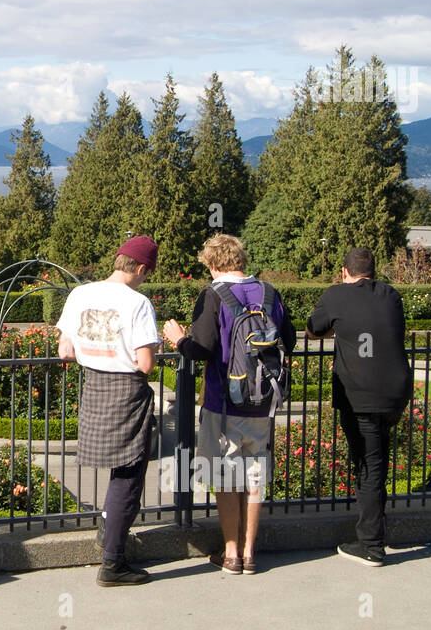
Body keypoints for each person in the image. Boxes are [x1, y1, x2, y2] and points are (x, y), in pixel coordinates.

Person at [163, 234, 296, 575]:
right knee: (254, 478)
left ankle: (232, 553)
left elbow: (202, 349)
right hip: (263, 404)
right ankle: (251, 552)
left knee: (224, 478)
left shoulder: (214, 295)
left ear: (213, 263)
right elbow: (289, 339)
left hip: (223, 403)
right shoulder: (269, 292)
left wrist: (179, 339)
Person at [55, 236, 162, 586]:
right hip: (127, 391)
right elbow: (145, 364)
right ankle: (112, 562)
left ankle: (107, 527)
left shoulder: (80, 294)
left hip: (94, 385)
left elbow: (65, 350)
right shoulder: (139, 303)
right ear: (142, 268)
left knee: (118, 473)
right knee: (129, 475)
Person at [306, 247, 412, 567]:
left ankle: (371, 545)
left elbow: (312, 330)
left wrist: (337, 327)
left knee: (368, 465)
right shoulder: (391, 295)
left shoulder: (337, 295)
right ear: (374, 272)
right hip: (395, 392)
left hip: (360, 397)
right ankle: (373, 532)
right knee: (375, 462)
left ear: (344, 272)